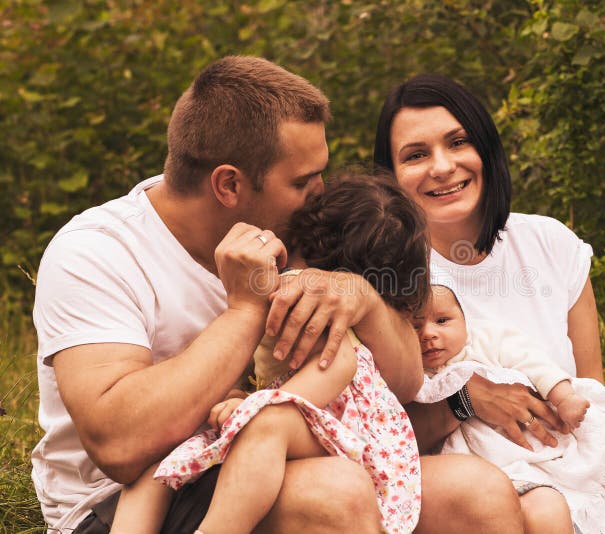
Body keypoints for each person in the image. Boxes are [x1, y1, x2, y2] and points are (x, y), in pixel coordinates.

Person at [32, 57, 525, 533]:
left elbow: (400, 384)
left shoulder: (294, 235)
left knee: (477, 492)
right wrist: (245, 309)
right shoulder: (97, 252)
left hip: (267, 454)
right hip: (126, 502)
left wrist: (364, 301)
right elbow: (119, 447)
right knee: (338, 492)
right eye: (302, 181)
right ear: (229, 185)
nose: (320, 192)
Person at [373, 73, 605, 532]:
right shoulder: (385, 276)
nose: (442, 167)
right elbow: (378, 432)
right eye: (415, 155)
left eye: (458, 142)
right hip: (462, 500)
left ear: (486, 148)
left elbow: (590, 391)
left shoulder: (550, 244)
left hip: (565, 473)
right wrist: (464, 401)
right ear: (390, 177)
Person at [110, 172, 429, 534]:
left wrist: (259, 406)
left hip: (345, 428)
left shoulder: (307, 295)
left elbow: (339, 362)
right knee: (160, 463)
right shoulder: (311, 294)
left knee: (265, 426)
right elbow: (259, 371)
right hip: (320, 421)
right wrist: (240, 397)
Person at [413, 283, 605, 534]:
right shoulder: (416, 373)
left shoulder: (485, 340)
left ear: (464, 321)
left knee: (597, 432)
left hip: (536, 430)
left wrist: (564, 397)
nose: (428, 334)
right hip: (487, 456)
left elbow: (533, 362)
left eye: (442, 321)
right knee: (540, 498)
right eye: (415, 326)